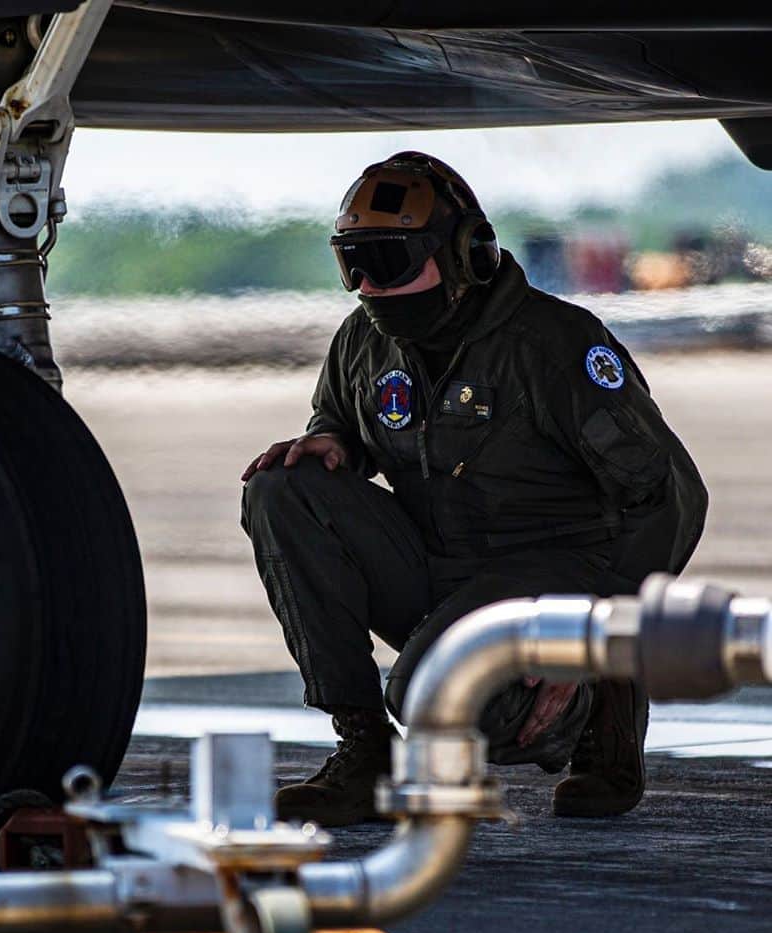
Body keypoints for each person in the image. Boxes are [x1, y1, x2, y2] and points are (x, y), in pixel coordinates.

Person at [240, 152, 707, 827]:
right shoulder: (364, 342)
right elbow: (341, 420)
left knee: (436, 697)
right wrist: (333, 443)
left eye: (389, 261)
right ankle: (363, 753)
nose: (368, 285)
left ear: (467, 256)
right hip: (440, 566)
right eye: (353, 263)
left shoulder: (552, 346)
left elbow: (671, 497)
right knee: (282, 490)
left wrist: (593, 637)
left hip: (551, 576)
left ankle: (599, 702)